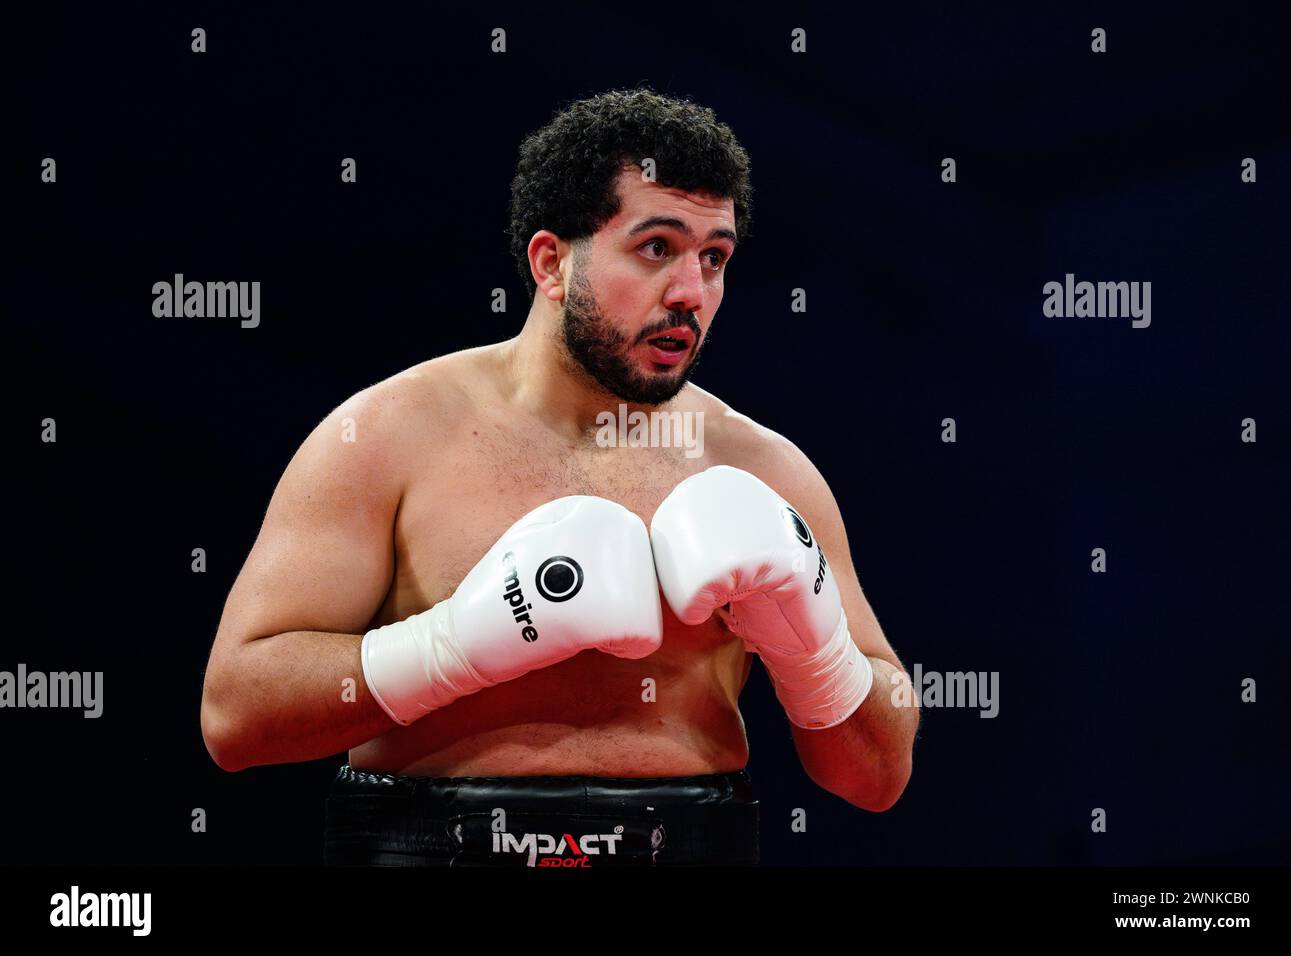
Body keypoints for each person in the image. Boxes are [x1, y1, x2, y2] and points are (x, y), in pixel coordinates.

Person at [200, 87, 918, 866]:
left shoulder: (763, 470)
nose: (692, 292)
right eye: (657, 248)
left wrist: (817, 655)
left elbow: (876, 777)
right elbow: (235, 719)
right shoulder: (385, 437)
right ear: (552, 262)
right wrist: (451, 646)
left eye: (714, 258)